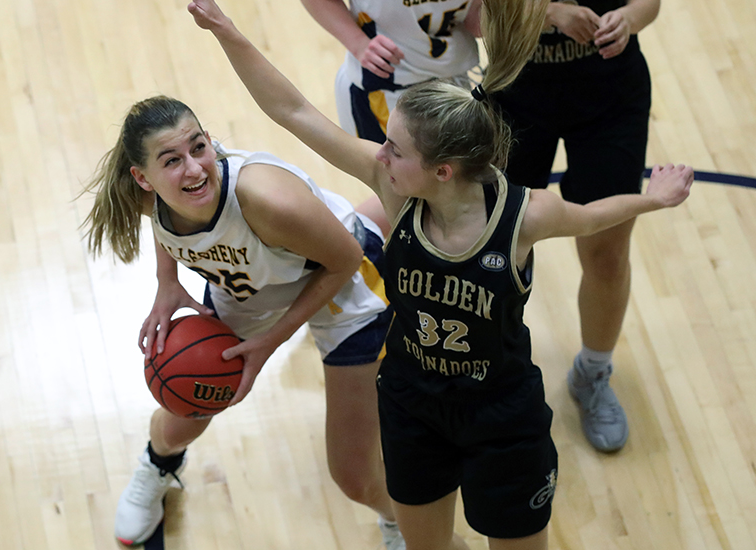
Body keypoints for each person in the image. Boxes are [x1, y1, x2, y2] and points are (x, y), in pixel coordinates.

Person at [187, 0, 692, 548]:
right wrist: (227, 32)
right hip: (413, 403)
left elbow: (594, 216)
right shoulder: (397, 193)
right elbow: (294, 112)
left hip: (502, 414)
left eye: (394, 148)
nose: (379, 156)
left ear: (441, 171)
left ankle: (590, 377)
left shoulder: (524, 214)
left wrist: (654, 200)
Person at [82, 96, 406, 547]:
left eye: (199, 148)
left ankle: (395, 520)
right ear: (144, 179)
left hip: (339, 280)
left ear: (212, 141)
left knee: (353, 475)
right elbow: (165, 221)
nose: (194, 169)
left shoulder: (265, 199)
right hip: (253, 286)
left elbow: (345, 260)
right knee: (183, 414)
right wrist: (166, 281)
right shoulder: (144, 197)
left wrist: (272, 341)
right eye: (172, 161)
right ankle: (160, 465)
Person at [492, 0, 661, 453]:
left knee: (607, 252)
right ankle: (490, 371)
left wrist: (630, 19)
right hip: (516, 86)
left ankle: (593, 372)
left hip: (610, 96)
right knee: (497, 247)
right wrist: (546, 12)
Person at [302, 0, 483, 235]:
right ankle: (334, 248)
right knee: (410, 198)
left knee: (445, 194)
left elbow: (474, 23)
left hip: (449, 81)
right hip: (387, 91)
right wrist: (357, 42)